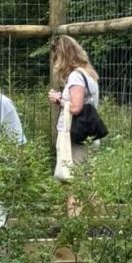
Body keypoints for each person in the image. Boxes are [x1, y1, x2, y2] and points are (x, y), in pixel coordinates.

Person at [48, 34, 102, 181]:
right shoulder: (88, 73)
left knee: (71, 181)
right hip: (88, 135)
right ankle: (89, 205)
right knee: (86, 181)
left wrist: (59, 100)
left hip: (76, 136)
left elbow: (76, 108)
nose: (56, 62)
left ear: (63, 55)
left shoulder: (76, 76)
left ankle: (73, 205)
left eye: (57, 56)